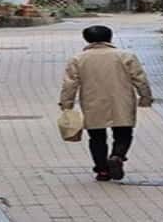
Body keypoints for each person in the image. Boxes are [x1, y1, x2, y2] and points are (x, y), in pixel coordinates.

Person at [60, 24, 153, 182]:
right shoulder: (125, 56)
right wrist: (145, 97)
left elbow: (70, 84)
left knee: (96, 137)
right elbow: (140, 79)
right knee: (123, 133)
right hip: (122, 100)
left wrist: (66, 104)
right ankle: (117, 156)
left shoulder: (78, 59)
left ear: (87, 39)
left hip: (92, 101)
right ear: (109, 37)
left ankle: (102, 170)